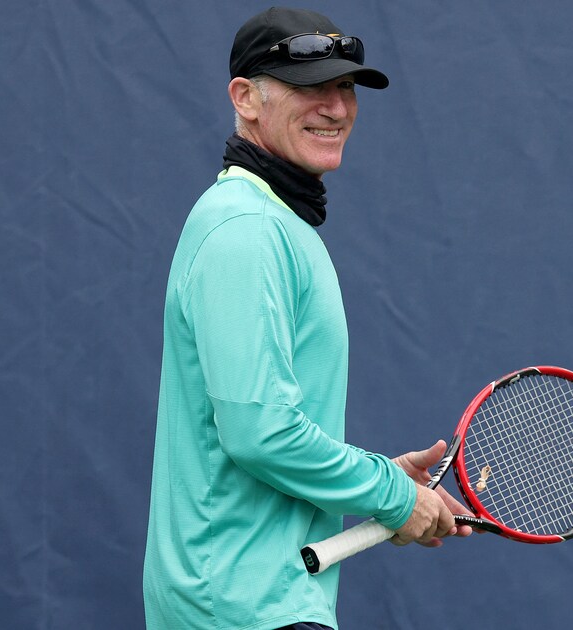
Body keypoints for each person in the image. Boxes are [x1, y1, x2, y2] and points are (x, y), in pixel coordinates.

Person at [143, 7, 471, 630]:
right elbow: (260, 433)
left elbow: (264, 428)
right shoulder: (247, 230)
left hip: (259, 599)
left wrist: (379, 482)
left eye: (345, 86)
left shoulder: (272, 223)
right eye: (310, 87)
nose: (337, 107)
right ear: (245, 98)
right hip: (241, 608)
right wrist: (392, 494)